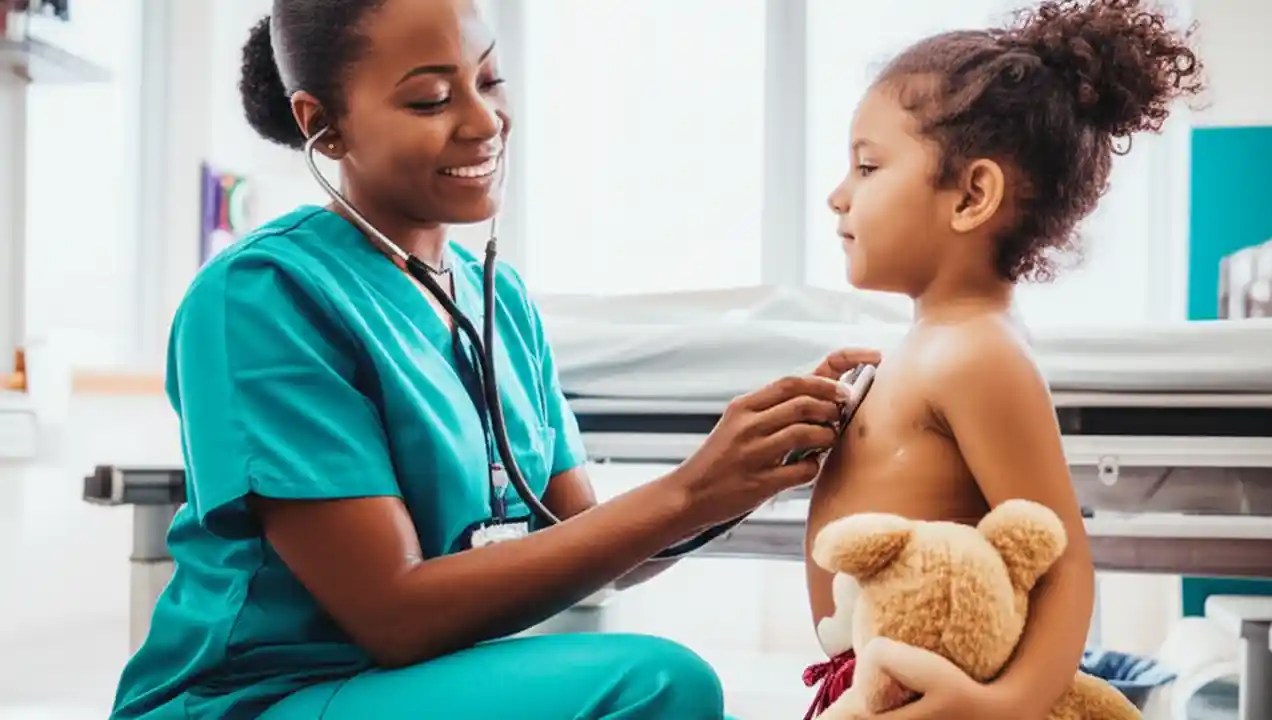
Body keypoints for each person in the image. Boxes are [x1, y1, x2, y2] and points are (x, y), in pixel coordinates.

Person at [107, 1, 879, 718]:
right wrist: (689, 488)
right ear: (325, 125)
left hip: (404, 685)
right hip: (260, 697)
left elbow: (593, 542)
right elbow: (395, 614)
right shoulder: (261, 297)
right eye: (430, 100)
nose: (486, 122)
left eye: (488, 79)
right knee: (660, 685)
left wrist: (750, 468)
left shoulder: (498, 300)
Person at [800, 0, 1203, 718]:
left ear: (973, 195)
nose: (838, 195)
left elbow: (1063, 564)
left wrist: (1004, 707)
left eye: (867, 167)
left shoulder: (976, 355)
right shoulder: (927, 345)